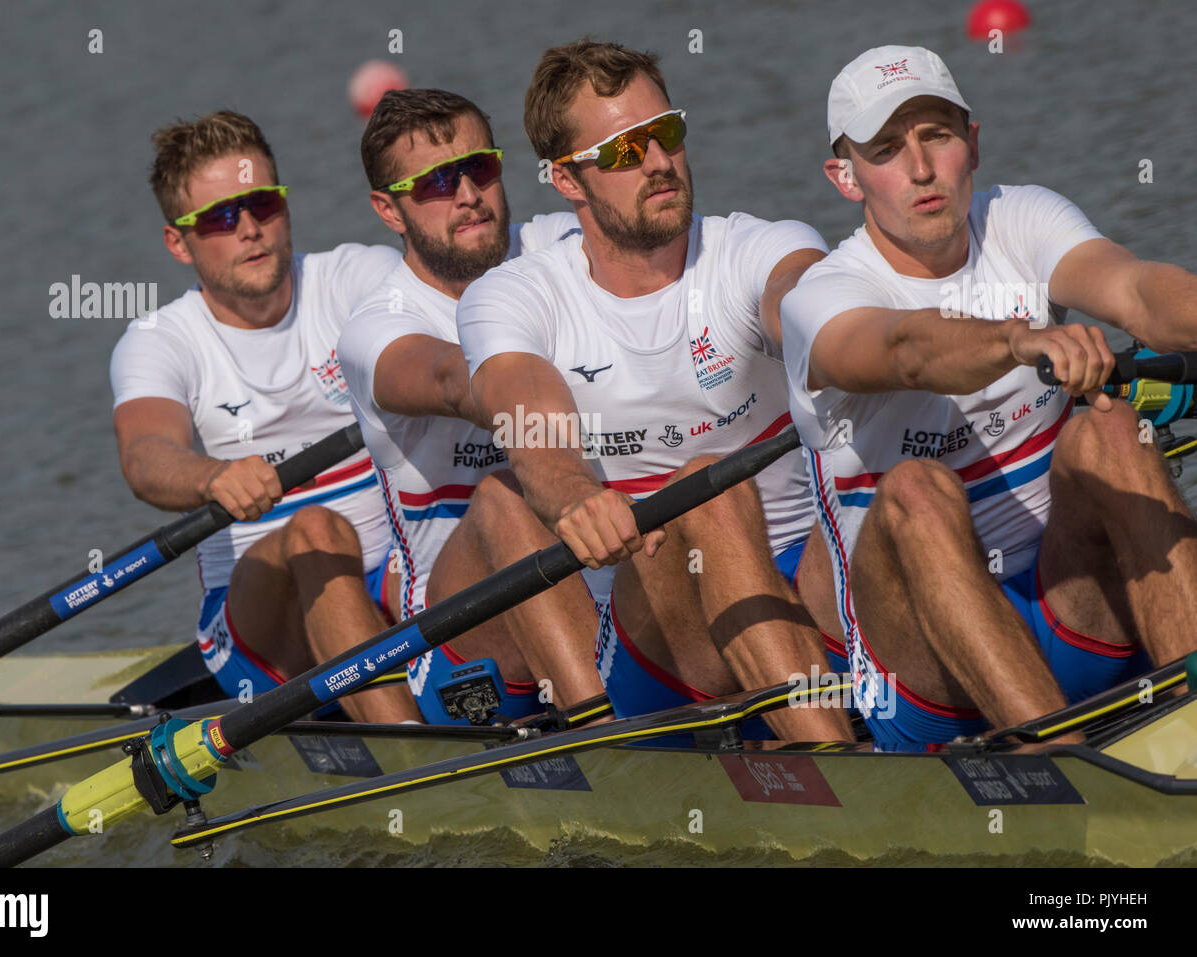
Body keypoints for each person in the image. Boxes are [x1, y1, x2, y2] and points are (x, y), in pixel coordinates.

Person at [781, 45, 1197, 748]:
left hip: (1069, 614)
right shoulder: (821, 296)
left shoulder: (1022, 218)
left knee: (1115, 429)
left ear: (971, 143)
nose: (920, 169)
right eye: (887, 149)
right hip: (926, 674)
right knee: (915, 487)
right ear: (846, 177)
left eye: (936, 136)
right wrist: (1015, 340)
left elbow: (1138, 294)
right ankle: (1067, 770)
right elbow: (905, 352)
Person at [456, 40, 854, 742]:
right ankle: (846, 773)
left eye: (664, 133)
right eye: (621, 150)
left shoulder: (756, 248)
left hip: (811, 588)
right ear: (568, 181)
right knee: (710, 488)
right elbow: (530, 417)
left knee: (903, 480)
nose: (657, 161)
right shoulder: (514, 297)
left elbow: (807, 306)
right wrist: (576, 496)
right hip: (660, 643)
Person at [110, 110, 419, 723]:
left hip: (400, 577)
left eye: (263, 204)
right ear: (179, 242)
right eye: (222, 217)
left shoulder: (359, 275)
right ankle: (418, 758)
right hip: (260, 628)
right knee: (314, 530)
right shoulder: (161, 339)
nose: (250, 228)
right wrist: (209, 478)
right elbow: (146, 455)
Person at [338, 89, 603, 725]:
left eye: (478, 167)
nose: (466, 195)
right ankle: (606, 732)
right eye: (434, 183)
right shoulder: (378, 330)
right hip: (460, 642)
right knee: (506, 495)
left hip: (598, 565)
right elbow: (457, 380)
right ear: (390, 210)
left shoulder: (564, 243)